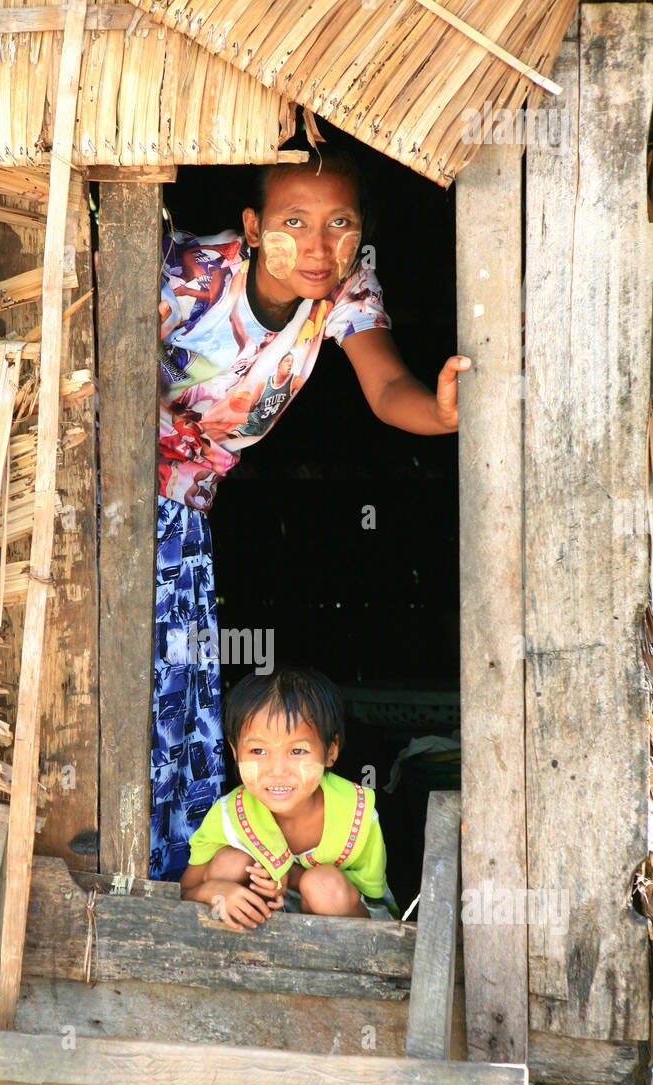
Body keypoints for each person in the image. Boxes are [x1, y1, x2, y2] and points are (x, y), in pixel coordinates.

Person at [151, 150, 470, 882]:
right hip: (113, 501)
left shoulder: (345, 292)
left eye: (340, 224)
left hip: (184, 514)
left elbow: (388, 387)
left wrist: (443, 413)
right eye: (295, 222)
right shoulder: (183, 273)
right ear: (254, 228)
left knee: (178, 694)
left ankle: (180, 872)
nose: (320, 246)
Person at [180, 668, 392, 928]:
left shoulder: (355, 814)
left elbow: (373, 903)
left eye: (297, 751)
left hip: (339, 933)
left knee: (322, 883)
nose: (277, 770)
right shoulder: (228, 816)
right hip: (256, 925)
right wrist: (214, 893)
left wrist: (287, 877)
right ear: (235, 752)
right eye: (258, 750)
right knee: (229, 862)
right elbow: (183, 892)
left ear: (330, 751)